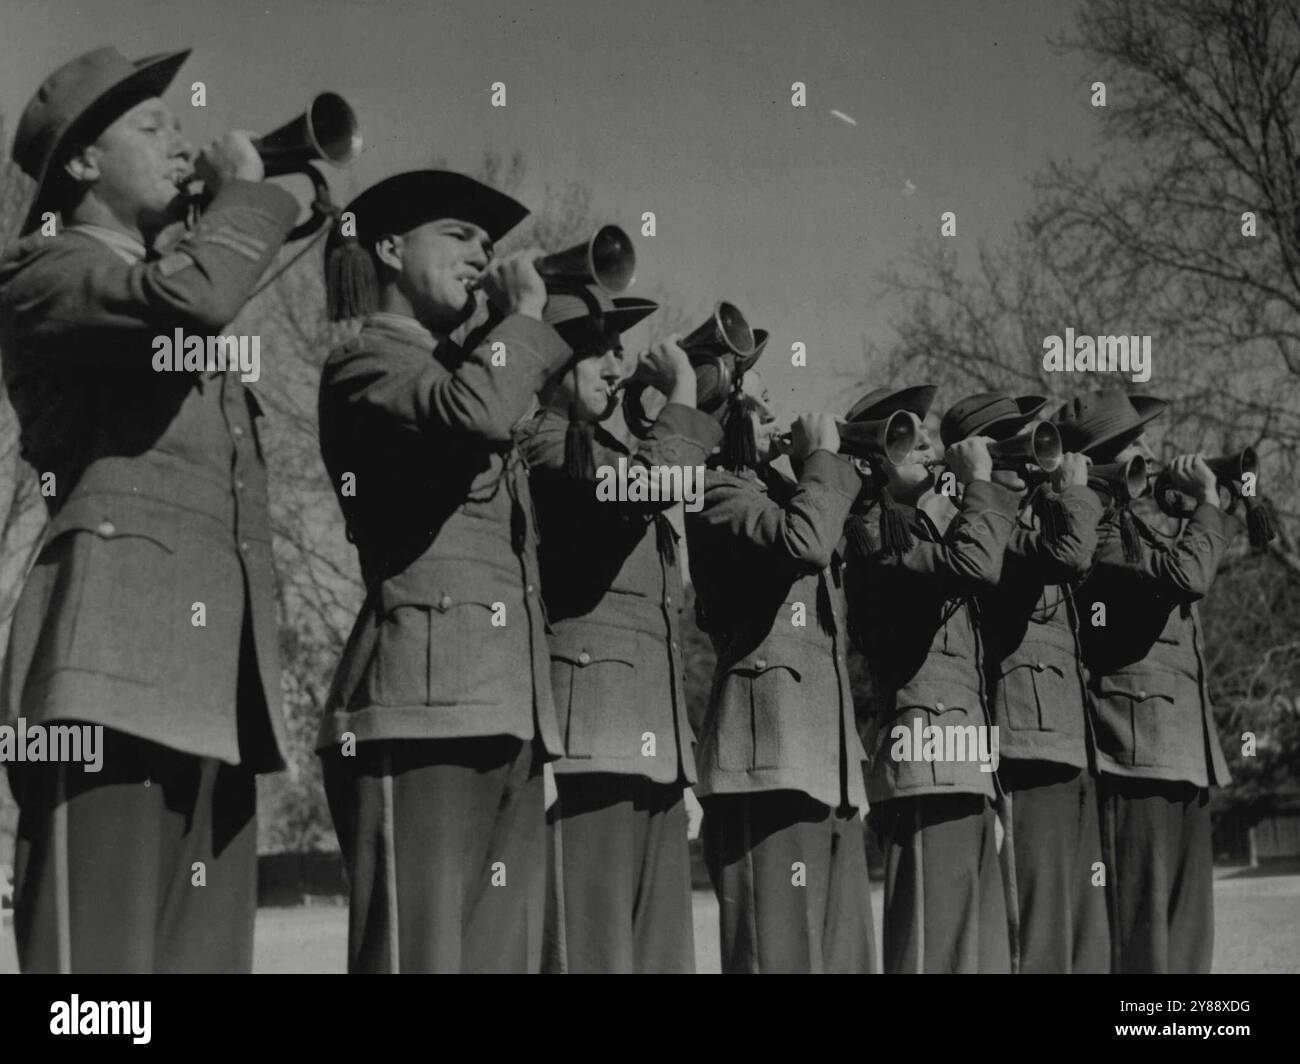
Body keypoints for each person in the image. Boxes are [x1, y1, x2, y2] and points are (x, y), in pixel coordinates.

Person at [0, 45, 299, 972]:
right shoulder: (42, 270)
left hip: (214, 693)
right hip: (107, 671)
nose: (182, 145)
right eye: (152, 126)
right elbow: (192, 301)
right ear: (81, 163)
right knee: (97, 990)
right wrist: (247, 199)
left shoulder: (168, 281)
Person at [316, 170, 573, 973]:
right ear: (389, 248)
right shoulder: (368, 361)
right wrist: (519, 321)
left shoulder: (462, 367)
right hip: (415, 707)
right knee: (417, 960)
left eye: (487, 244)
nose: (481, 254)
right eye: (458, 236)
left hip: (505, 706)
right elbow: (477, 412)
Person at [517, 286, 720, 973]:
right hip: (587, 742)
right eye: (596, 352)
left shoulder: (614, 449)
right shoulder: (543, 438)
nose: (614, 366)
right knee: (591, 955)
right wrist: (684, 395)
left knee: (660, 957)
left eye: (618, 351)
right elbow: (656, 483)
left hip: (650, 746)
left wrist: (680, 762)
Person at [685, 344, 876, 974]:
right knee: (780, 960)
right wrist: (820, 460)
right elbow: (808, 541)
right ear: (722, 418)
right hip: (766, 760)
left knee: (842, 960)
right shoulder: (715, 489)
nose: (775, 412)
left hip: (826, 767)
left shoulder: (782, 492)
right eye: (758, 402)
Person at [843, 384, 1019, 974]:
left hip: (964, 762)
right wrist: (979, 485)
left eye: (924, 432)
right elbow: (976, 563)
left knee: (979, 957)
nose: (924, 442)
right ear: (870, 458)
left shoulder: (929, 527)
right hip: (924, 765)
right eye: (903, 435)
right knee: (933, 954)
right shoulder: (872, 532)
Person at [1061, 389, 1238, 974]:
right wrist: (1209, 504)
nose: (1151, 453)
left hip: (1181, 753)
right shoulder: (1100, 536)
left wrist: (1206, 507)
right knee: (1145, 946)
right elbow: (1187, 576)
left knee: (1188, 939)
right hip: (1134, 757)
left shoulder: (1141, 531)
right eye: (1135, 445)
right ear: (1107, 461)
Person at [943, 392, 1108, 973]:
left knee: (1081, 932)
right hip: (1022, 744)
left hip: (1065, 743)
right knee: (1038, 933)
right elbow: (1069, 555)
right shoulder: (988, 527)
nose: (1031, 452)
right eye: (1009, 441)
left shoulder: (1028, 518)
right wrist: (1072, 491)